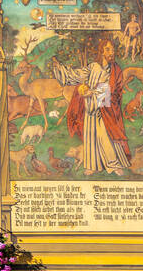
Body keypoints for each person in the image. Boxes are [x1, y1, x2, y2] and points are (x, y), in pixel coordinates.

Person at [50, 39, 131, 176]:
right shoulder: (93, 67)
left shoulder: (115, 70)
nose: (111, 52)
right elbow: (77, 76)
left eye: (112, 49)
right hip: (90, 108)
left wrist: (91, 93)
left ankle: (113, 164)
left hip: (106, 110)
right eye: (107, 49)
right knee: (91, 137)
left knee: (105, 136)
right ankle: (93, 165)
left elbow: (114, 91)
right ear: (102, 52)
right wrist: (60, 68)